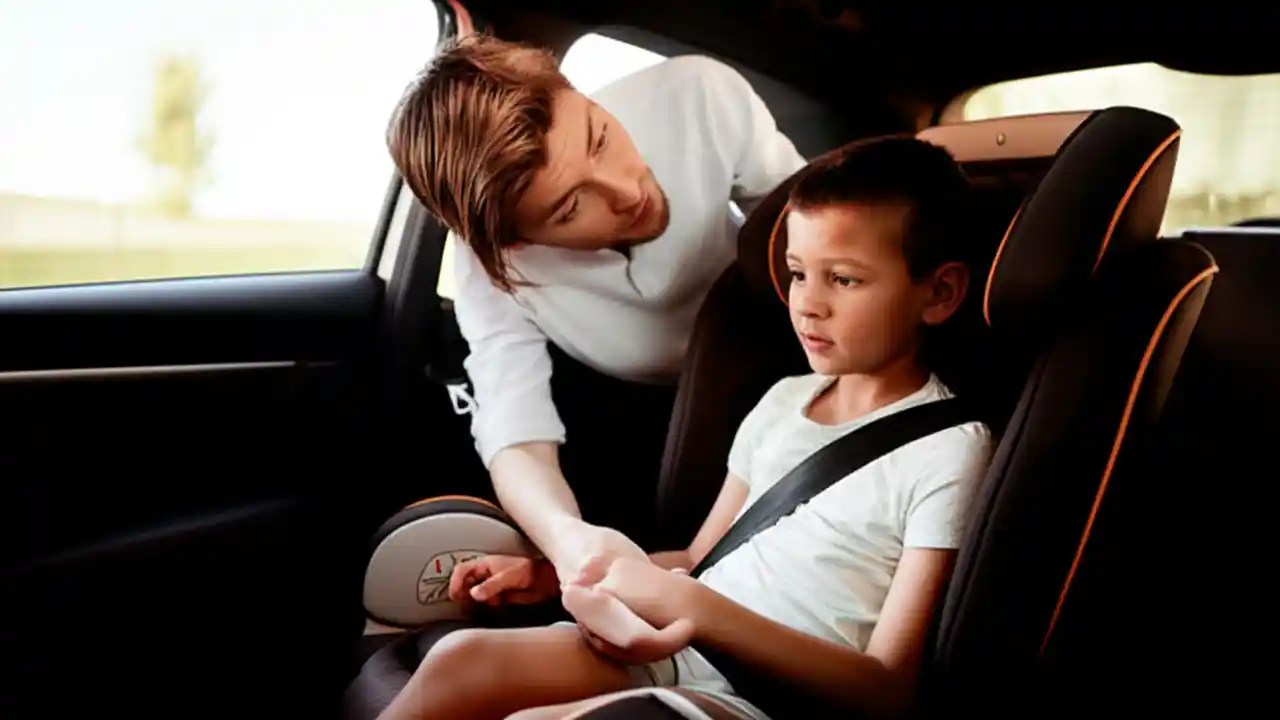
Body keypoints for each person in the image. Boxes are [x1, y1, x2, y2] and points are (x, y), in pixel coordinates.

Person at [373, 136, 995, 720]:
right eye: (800, 272)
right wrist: (554, 572)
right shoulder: (782, 402)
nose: (807, 302)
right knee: (462, 661)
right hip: (676, 648)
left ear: (938, 293)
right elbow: (700, 558)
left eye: (844, 279)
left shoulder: (947, 452)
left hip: (769, 697)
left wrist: (697, 607)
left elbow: (887, 690)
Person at [385, 33, 808, 588]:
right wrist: (567, 541)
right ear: (516, 243)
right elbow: (516, 432)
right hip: (642, 421)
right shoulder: (493, 267)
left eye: (600, 137)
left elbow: (820, 241)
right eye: (569, 207)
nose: (626, 190)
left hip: (785, 365)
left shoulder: (697, 97)